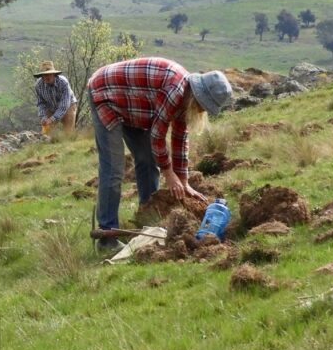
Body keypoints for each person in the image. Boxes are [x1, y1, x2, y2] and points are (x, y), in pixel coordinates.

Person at [87, 57, 233, 253]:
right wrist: (169, 173)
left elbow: (180, 137)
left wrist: (183, 179)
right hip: (106, 94)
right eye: (204, 106)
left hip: (137, 107)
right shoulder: (175, 91)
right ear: (198, 96)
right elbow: (157, 136)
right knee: (113, 169)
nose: (203, 110)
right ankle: (107, 238)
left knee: (148, 161)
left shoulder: (187, 97)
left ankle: (148, 221)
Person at [33, 60, 77, 135]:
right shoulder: (38, 85)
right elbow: (41, 103)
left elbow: (64, 106)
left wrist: (52, 119)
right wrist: (43, 117)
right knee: (47, 133)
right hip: (50, 107)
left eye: (50, 74)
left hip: (68, 106)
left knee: (68, 132)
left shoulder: (63, 82)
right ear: (42, 76)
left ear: (54, 74)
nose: (48, 77)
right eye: (45, 75)